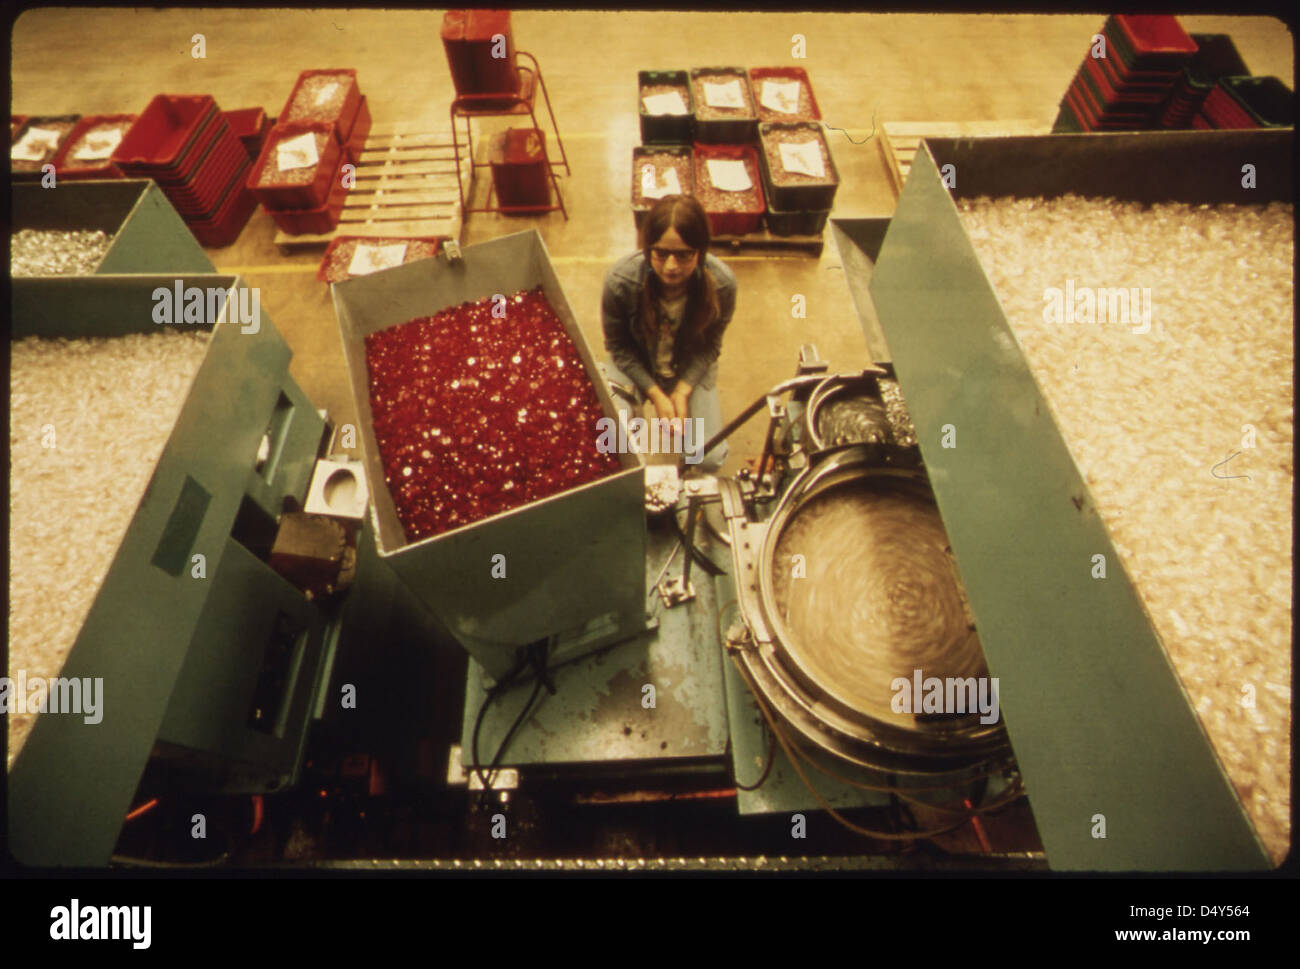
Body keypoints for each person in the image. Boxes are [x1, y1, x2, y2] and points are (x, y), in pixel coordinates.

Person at [601, 194, 735, 473]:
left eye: (684, 255)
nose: (671, 266)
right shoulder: (621, 282)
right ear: (648, 249)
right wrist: (657, 395)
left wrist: (682, 391)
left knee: (706, 457)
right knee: (612, 442)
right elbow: (619, 348)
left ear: (700, 251)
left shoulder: (722, 285)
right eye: (661, 253)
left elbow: (710, 347)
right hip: (636, 365)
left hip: (689, 368)